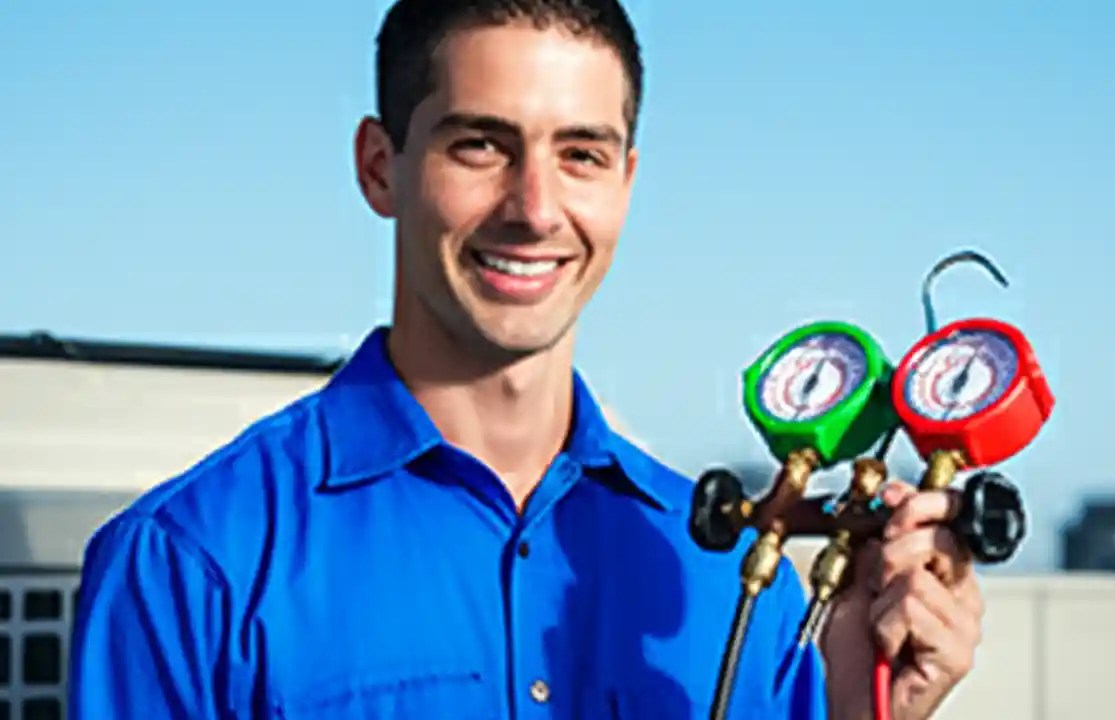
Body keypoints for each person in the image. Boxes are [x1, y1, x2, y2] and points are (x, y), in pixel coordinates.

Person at [67, 1, 984, 718]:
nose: (536, 209)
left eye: (580, 154)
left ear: (625, 182)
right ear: (381, 166)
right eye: (481, 145)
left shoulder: (735, 575)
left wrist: (865, 708)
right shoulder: (187, 566)